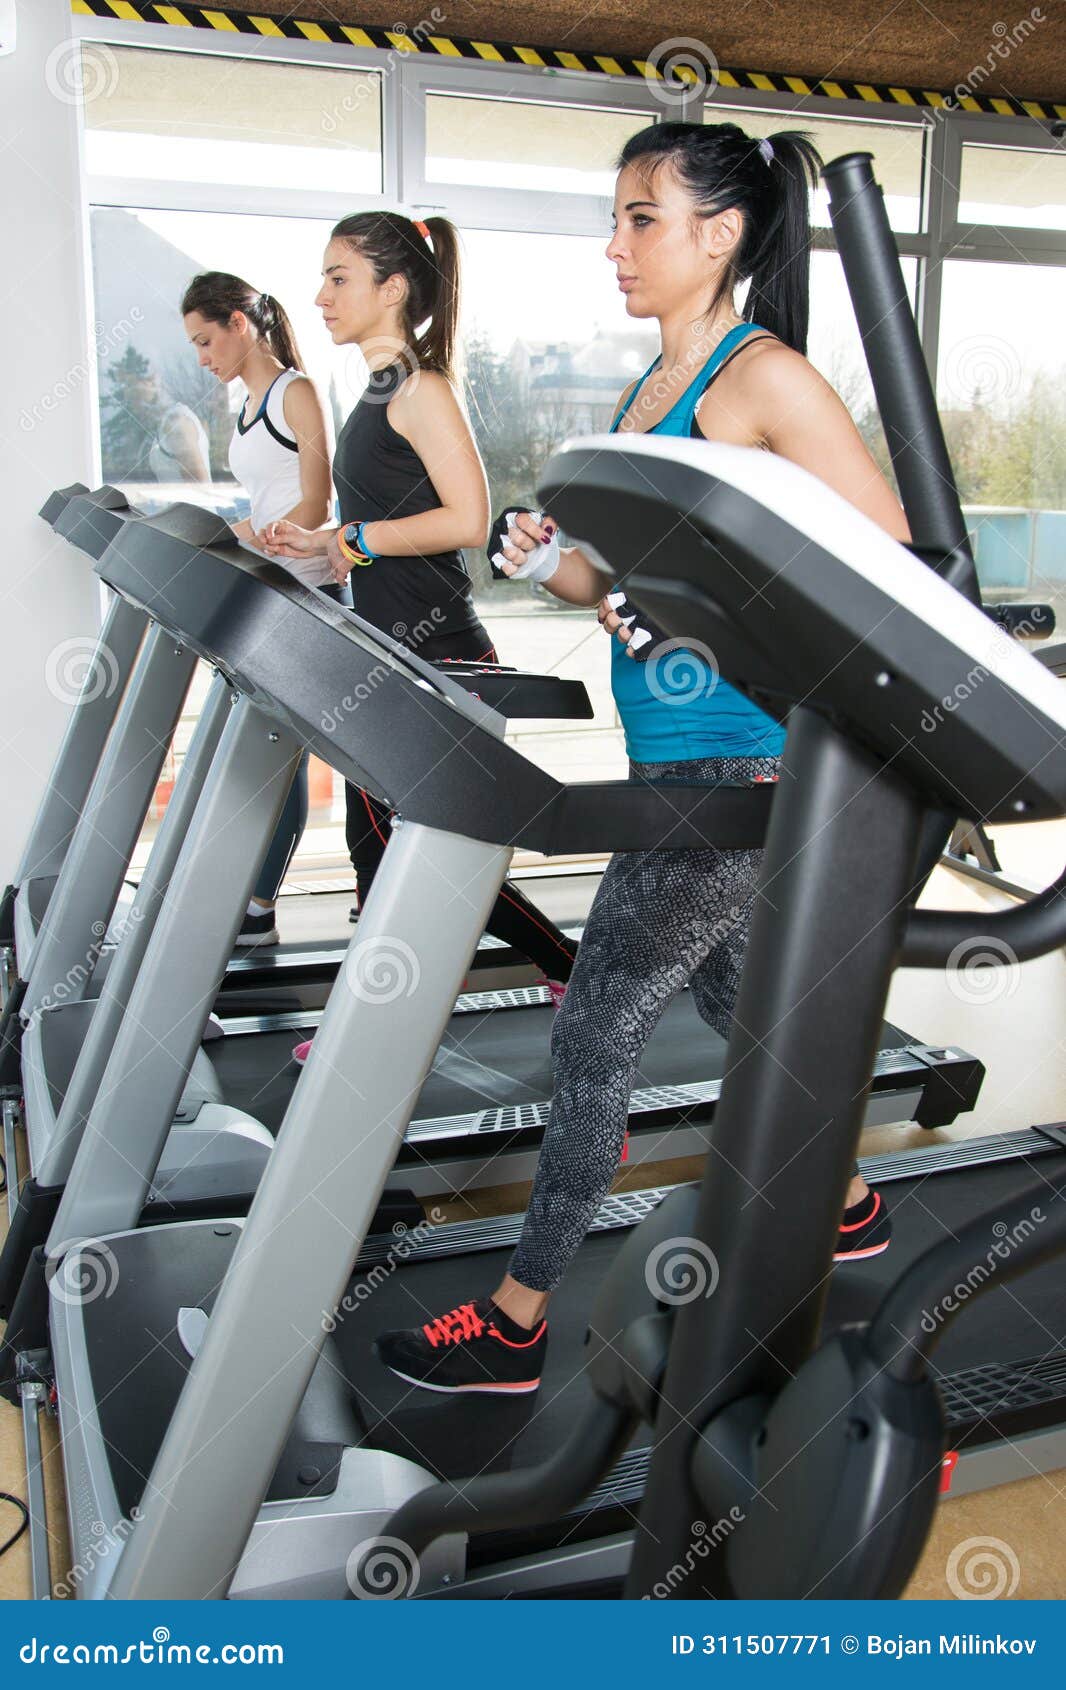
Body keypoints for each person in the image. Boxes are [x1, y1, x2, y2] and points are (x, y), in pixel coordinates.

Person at [373, 120, 912, 1397]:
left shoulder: (760, 378)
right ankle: (843, 1198)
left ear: (718, 235)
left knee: (600, 1021)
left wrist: (730, 612)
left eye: (640, 218)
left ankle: (515, 1320)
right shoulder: (640, 393)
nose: (613, 244)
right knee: (732, 1004)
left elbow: (892, 559)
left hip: (743, 762)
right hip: (672, 748)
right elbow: (619, 589)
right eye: (614, 217)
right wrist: (547, 564)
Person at [261, 212, 578, 1057]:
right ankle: (391, 1019)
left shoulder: (419, 388)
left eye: (339, 278)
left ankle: (561, 973)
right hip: (393, 648)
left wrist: (352, 540)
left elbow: (469, 518)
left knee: (416, 852)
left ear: (392, 288)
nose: (321, 296)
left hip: (441, 656)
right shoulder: (371, 392)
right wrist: (323, 543)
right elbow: (384, 525)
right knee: (382, 844)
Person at [182, 272, 349, 947]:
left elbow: (314, 505)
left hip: (306, 593)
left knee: (281, 757)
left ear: (240, 324)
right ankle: (242, 898)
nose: (201, 356)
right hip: (265, 591)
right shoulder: (246, 405)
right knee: (247, 750)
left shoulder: (296, 393)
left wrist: (244, 535)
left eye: (205, 339)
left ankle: (256, 909)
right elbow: (264, 499)